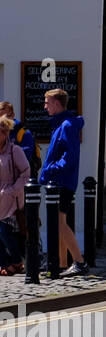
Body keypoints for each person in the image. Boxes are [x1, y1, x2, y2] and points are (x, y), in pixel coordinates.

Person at [38, 89, 88, 276]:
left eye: (47, 102)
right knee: (59, 221)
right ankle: (61, 263)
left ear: (57, 104)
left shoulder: (66, 126)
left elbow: (70, 157)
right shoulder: (62, 124)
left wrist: (51, 169)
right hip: (60, 180)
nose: (45, 106)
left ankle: (79, 261)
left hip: (62, 181)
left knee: (59, 222)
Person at [0, 116, 32, 275]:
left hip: (10, 198)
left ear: (5, 134)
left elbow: (26, 173)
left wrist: (13, 190)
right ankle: (7, 263)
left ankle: (16, 261)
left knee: (4, 232)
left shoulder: (15, 151)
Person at [0, 101, 38, 174]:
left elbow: (25, 156)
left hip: (22, 177)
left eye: (6, 116)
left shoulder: (23, 132)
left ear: (13, 115)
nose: (3, 120)